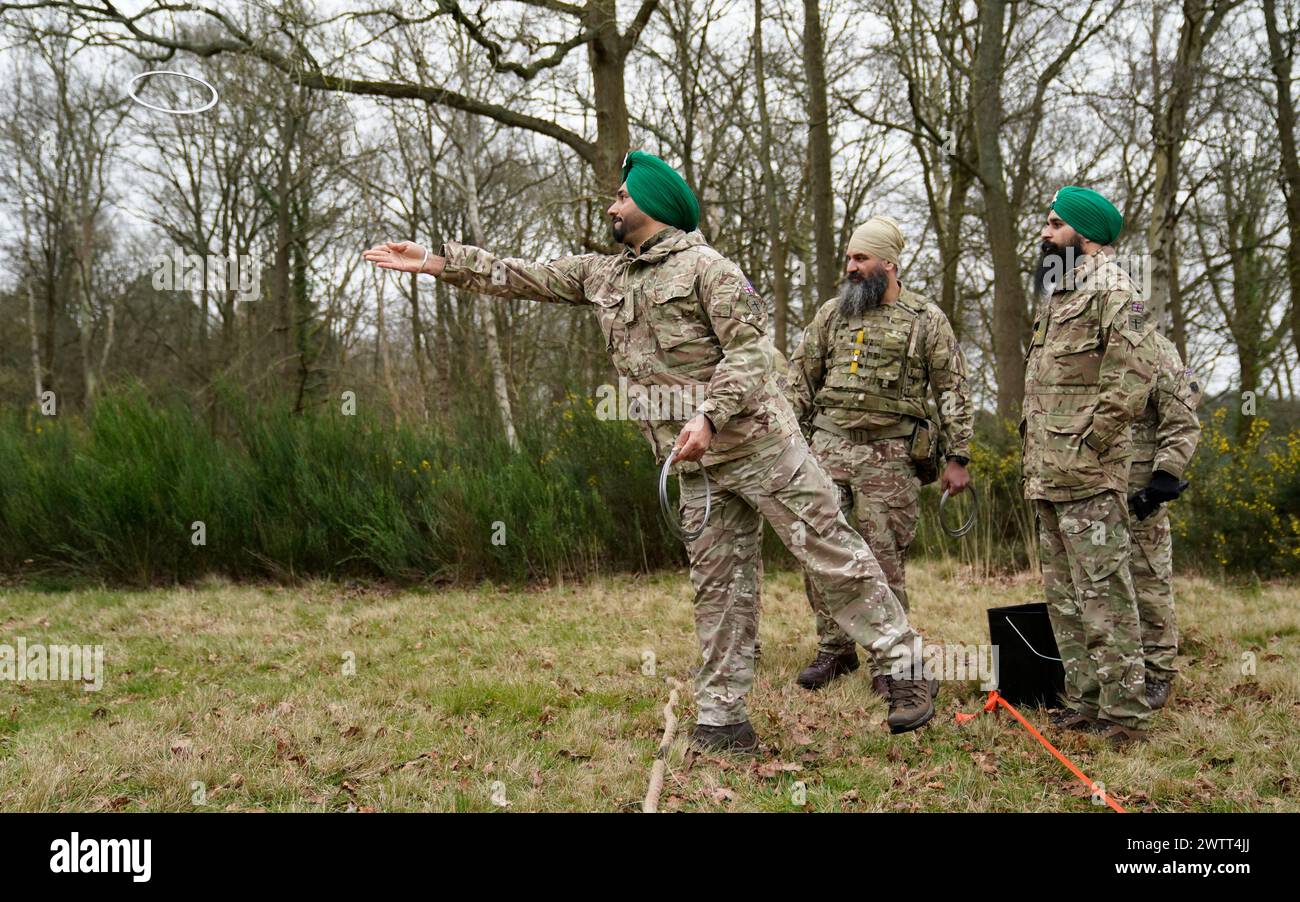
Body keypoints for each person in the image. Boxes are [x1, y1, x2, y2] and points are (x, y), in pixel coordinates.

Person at [364, 150, 937, 753]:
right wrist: (433, 261)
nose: (612, 204)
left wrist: (710, 416)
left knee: (832, 557)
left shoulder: (708, 270)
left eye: (622, 195)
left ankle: (905, 669)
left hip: (762, 447)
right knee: (720, 587)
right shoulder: (604, 276)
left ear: (655, 205)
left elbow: (748, 352)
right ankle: (723, 721)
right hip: (697, 468)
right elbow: (519, 274)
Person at [787, 216, 973, 694]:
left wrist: (959, 457)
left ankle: (892, 662)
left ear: (888, 263)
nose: (850, 266)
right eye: (849, 257)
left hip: (888, 459)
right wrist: (783, 444)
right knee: (821, 555)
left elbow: (952, 389)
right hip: (826, 452)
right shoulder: (831, 314)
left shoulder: (925, 320)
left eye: (860, 258)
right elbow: (800, 381)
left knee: (883, 560)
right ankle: (835, 648)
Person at [1023, 185, 1159, 745]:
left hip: (1087, 475)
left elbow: (1136, 371)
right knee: (1066, 597)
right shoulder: (1062, 293)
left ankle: (1125, 715)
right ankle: (1085, 700)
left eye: (1055, 224)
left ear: (1087, 235)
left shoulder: (1115, 288)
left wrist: (1093, 442)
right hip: (1050, 473)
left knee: (1105, 594)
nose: (1045, 233)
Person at [1127, 333, 1201, 710]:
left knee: (1149, 582)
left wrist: (1166, 475)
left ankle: (1158, 674)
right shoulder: (1087, 344)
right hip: (1092, 487)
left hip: (1141, 491)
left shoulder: (1156, 347)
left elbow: (1183, 417)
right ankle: (1118, 670)